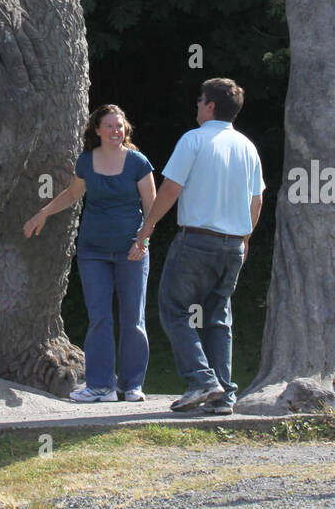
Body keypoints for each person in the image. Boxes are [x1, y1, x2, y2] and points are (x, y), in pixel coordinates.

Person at [129, 77, 263, 414]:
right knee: (217, 317)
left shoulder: (193, 140)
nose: (197, 105)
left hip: (196, 241)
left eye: (200, 100)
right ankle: (224, 396)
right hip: (233, 244)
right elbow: (257, 200)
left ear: (211, 105)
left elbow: (171, 189)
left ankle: (202, 380)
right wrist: (245, 239)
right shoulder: (247, 146)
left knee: (175, 310)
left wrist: (147, 228)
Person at [24, 104, 155, 402]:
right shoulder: (86, 161)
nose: (115, 131)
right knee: (100, 319)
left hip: (131, 251)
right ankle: (101, 386)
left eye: (119, 125)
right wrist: (42, 214)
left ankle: (131, 386)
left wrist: (143, 243)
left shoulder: (138, 162)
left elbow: (152, 206)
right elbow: (72, 194)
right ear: (97, 130)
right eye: (109, 126)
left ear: (126, 129)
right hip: (93, 252)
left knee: (133, 319)